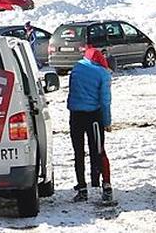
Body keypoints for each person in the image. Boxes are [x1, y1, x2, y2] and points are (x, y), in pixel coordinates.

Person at [67, 46, 113, 203]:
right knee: (98, 151)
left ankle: (81, 188)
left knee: (78, 153)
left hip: (75, 115)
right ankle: (105, 186)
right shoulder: (102, 73)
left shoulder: (77, 67)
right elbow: (105, 101)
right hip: (94, 116)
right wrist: (106, 122)